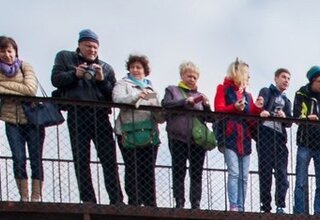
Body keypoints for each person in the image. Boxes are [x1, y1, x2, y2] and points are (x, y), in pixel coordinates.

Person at [51, 29, 123, 205]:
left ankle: (117, 200)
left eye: (95, 47)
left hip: (100, 116)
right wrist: (75, 74)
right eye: (88, 46)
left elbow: (112, 96)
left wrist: (101, 80)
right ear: (79, 45)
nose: (92, 50)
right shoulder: (64, 57)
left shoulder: (105, 68)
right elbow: (56, 79)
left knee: (109, 159)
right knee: (81, 158)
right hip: (77, 113)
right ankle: (88, 199)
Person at [0, 36, 44, 201]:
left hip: (33, 119)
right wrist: (20, 90)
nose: (7, 54)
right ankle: (24, 196)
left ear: (15, 51)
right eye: (2, 51)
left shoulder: (25, 66)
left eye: (10, 50)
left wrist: (4, 85)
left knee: (36, 158)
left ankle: (36, 195)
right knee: (18, 158)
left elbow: (30, 89)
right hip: (11, 119)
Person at [113, 54, 161, 207]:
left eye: (138, 67)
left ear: (145, 71)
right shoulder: (122, 84)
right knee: (132, 168)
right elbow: (117, 100)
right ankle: (134, 201)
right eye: (132, 67)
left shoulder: (152, 89)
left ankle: (150, 203)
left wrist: (157, 108)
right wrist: (137, 96)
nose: (135, 70)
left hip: (149, 133)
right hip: (128, 132)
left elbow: (160, 118)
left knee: (148, 169)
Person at [162, 61, 211, 210]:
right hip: (178, 136)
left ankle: (195, 203)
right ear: (182, 75)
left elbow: (210, 119)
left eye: (195, 77)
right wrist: (184, 102)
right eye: (189, 76)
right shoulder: (172, 90)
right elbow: (166, 104)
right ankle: (180, 202)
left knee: (196, 173)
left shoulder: (200, 96)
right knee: (179, 170)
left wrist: (207, 105)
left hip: (197, 140)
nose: (192, 79)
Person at [214, 58, 261, 212]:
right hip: (230, 135)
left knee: (244, 176)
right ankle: (234, 205)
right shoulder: (223, 89)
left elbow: (252, 119)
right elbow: (219, 109)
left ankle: (241, 206)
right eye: (246, 74)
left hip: (245, 138)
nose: (248, 77)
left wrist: (258, 109)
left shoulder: (248, 96)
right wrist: (234, 107)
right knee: (234, 172)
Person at [292, 66, 320, 216]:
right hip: (305, 142)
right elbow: (297, 116)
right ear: (312, 81)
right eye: (319, 81)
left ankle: (318, 211)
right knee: (301, 181)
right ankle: (299, 212)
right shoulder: (301, 94)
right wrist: (307, 118)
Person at [255, 67, 291, 213]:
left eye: (288, 79)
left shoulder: (287, 100)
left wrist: (284, 117)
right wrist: (268, 112)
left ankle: (280, 204)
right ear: (276, 78)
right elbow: (259, 108)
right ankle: (266, 205)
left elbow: (289, 122)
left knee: (282, 173)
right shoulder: (266, 91)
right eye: (283, 77)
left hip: (280, 137)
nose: (286, 81)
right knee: (266, 172)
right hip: (265, 134)